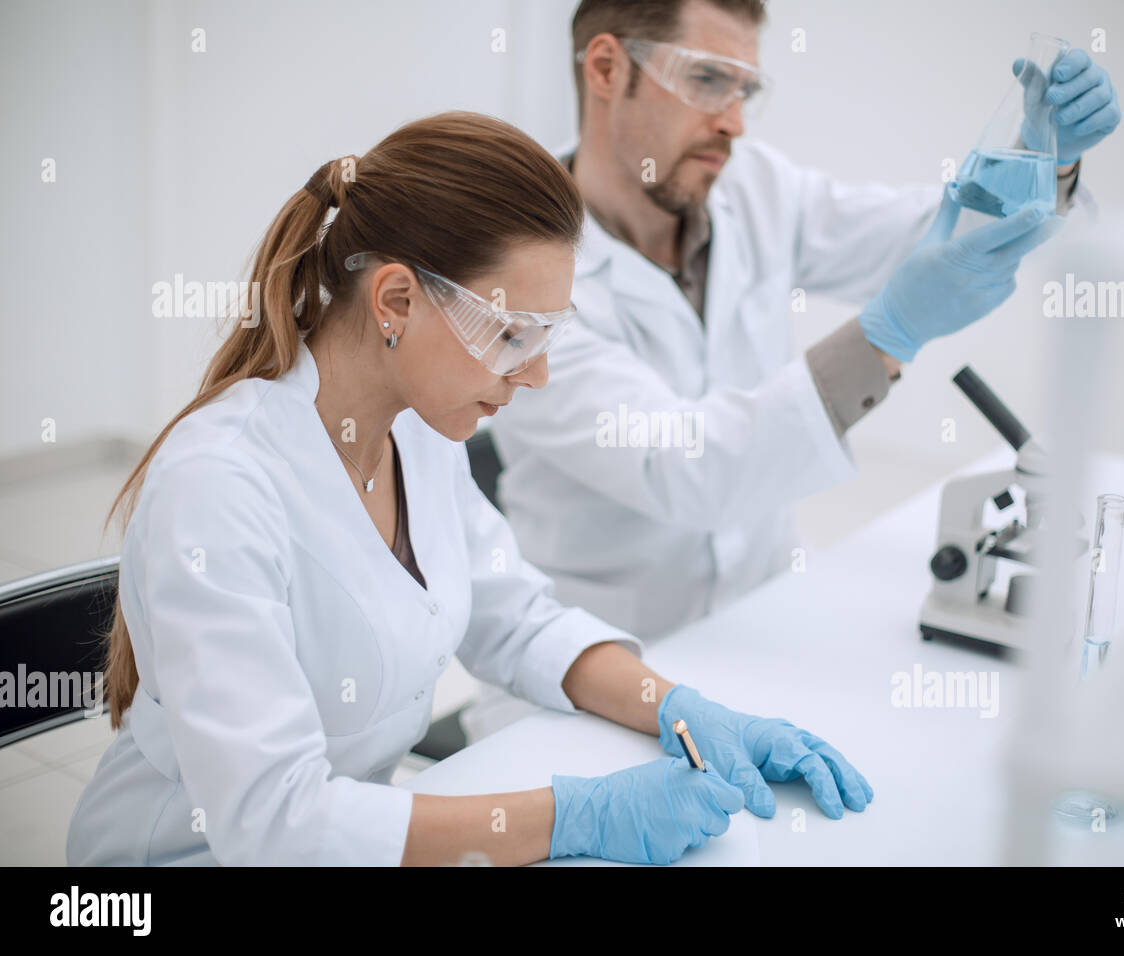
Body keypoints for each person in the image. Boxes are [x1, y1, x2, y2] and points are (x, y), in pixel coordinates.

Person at [64, 111, 871, 867]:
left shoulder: (416, 426)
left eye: (548, 335)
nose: (540, 373)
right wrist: (575, 819)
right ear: (396, 301)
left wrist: (680, 707)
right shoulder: (218, 487)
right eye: (513, 334)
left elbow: (514, 621)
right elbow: (275, 821)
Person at [487, 0, 1121, 644]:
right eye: (707, 80)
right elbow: (682, 467)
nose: (733, 123)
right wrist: (884, 337)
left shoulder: (754, 188)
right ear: (604, 68)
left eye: (745, 90)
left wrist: (1044, 161)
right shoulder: (517, 282)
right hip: (594, 657)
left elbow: (939, 241)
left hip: (763, 621)